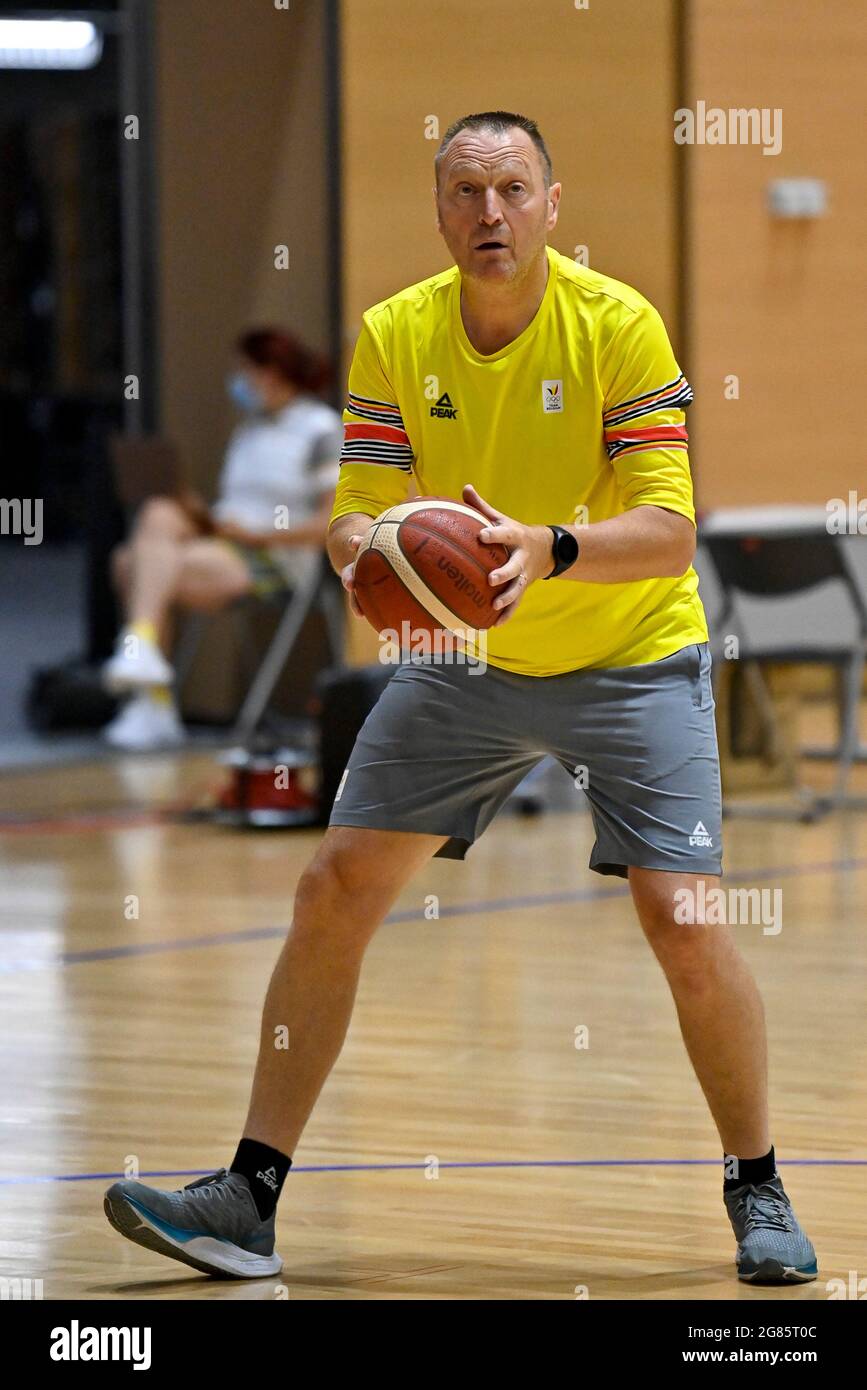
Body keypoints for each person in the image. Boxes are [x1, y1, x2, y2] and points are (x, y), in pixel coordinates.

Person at [104, 112, 816, 1285]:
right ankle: (249, 1195)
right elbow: (352, 507)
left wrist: (549, 545)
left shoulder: (619, 325)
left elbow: (671, 531)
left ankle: (759, 1183)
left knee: (684, 920)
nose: (491, 212)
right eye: (468, 191)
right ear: (439, 209)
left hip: (631, 648)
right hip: (467, 662)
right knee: (331, 889)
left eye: (513, 189)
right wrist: (367, 556)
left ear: (550, 204)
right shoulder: (396, 335)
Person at [102, 328, 343, 750]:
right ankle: (143, 657)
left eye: (245, 371)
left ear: (271, 373)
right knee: (155, 517)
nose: (239, 381)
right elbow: (233, 508)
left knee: (134, 565)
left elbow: (331, 523)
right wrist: (191, 505)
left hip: (277, 559)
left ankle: (152, 699)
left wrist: (259, 534)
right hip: (226, 541)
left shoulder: (319, 428)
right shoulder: (248, 430)